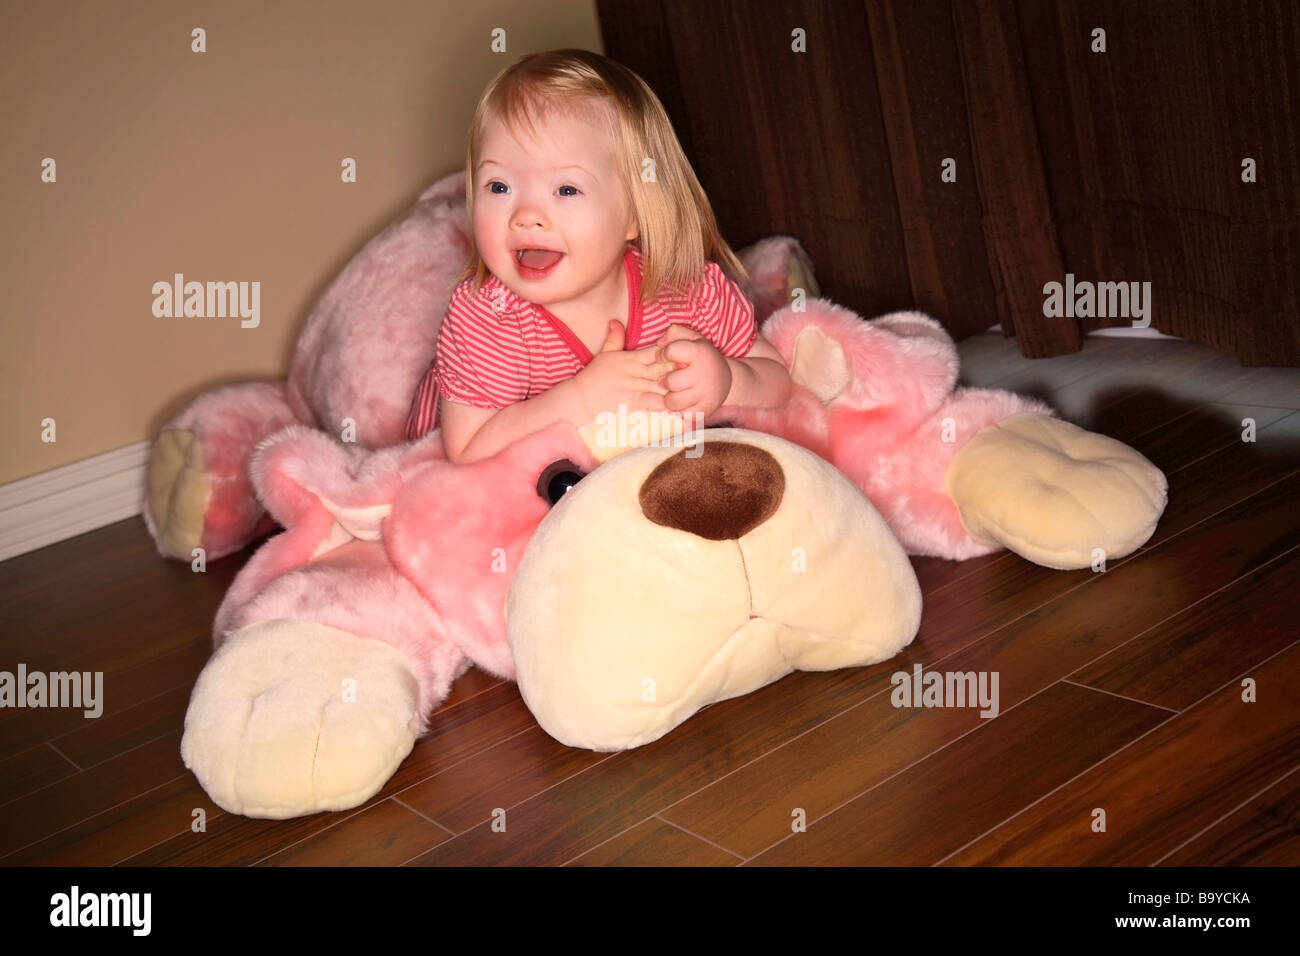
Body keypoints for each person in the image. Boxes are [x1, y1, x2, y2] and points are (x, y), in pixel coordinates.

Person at [406, 49, 792, 463]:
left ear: (633, 215)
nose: (526, 216)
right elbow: (467, 450)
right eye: (499, 187)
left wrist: (728, 378)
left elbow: (778, 381)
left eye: (566, 190)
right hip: (459, 423)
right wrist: (580, 398)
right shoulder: (488, 318)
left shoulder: (685, 291)